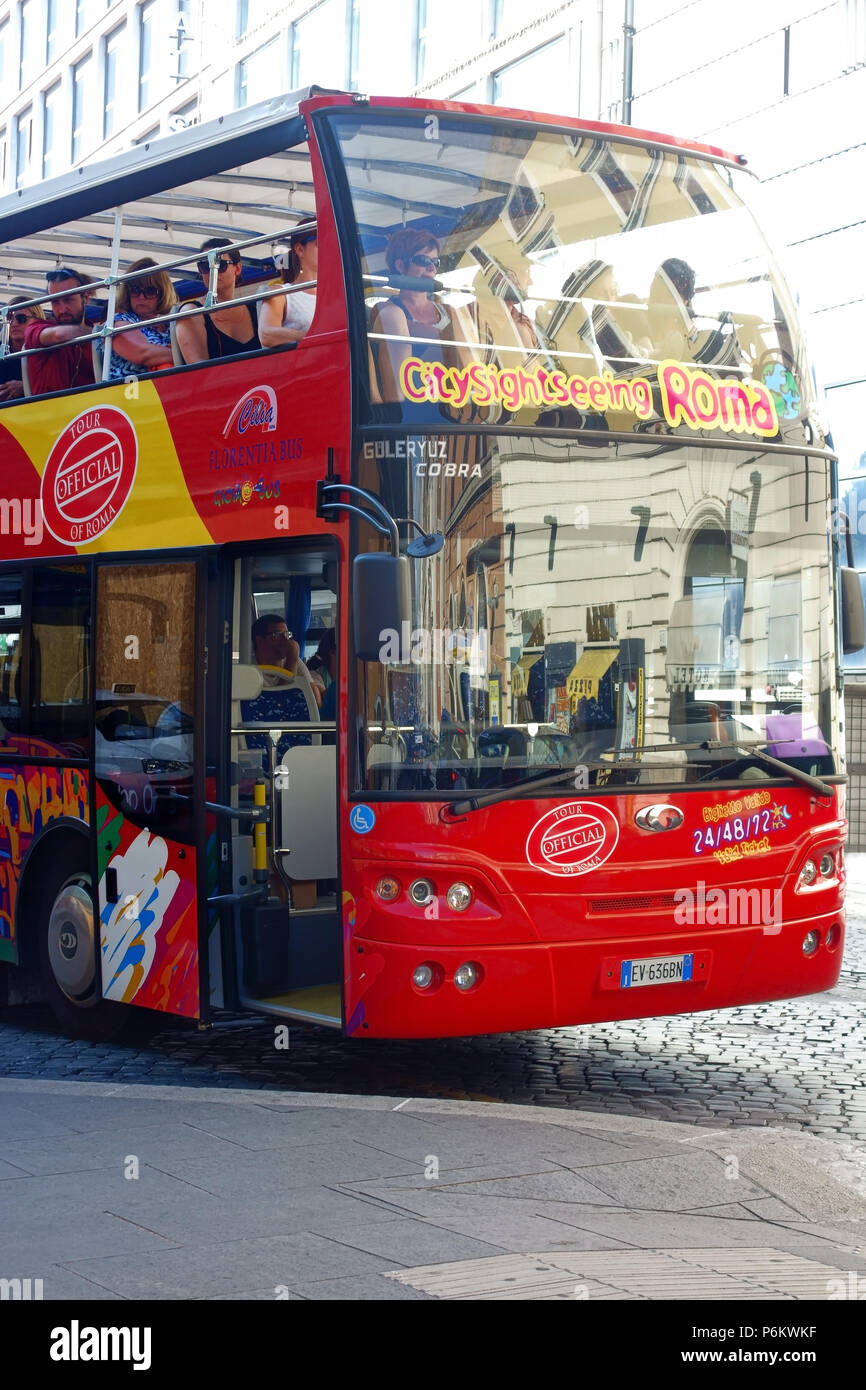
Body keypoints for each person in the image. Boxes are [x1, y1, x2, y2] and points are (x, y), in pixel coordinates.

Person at [370, 228, 472, 402]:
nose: (432, 267)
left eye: (435, 262)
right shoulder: (385, 309)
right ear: (400, 266)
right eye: (423, 260)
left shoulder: (449, 311)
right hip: (412, 406)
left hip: (450, 403)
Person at [175, 238, 261, 364]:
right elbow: (199, 372)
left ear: (237, 269)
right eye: (205, 266)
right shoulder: (191, 313)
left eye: (219, 265)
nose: (212, 271)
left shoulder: (255, 309)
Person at [23, 267, 96, 394]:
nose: (62, 309)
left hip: (92, 410)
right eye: (55, 302)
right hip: (48, 411)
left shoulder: (97, 334)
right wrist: (98, 333)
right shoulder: (36, 327)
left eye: (68, 300)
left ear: (85, 297)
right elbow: (59, 335)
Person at [107, 257, 175, 380]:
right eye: (135, 290)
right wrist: (182, 354)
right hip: (129, 392)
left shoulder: (171, 324)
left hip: (170, 389)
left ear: (162, 293)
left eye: (150, 291)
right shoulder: (118, 321)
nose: (141, 297)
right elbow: (142, 354)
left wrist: (161, 354)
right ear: (127, 293)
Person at [258, 216, 317, 347]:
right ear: (300, 249)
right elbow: (266, 334)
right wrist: (316, 336)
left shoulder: (340, 293)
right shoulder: (281, 293)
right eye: (320, 243)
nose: (328, 248)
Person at [251, 615, 322, 708]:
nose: (285, 641)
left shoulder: (294, 660)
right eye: (276, 635)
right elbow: (277, 707)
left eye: (287, 634)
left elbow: (316, 702)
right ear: (259, 641)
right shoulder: (249, 669)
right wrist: (292, 660)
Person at [0, 295, 45, 400]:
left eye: (21, 319)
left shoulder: (47, 352)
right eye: (9, 318)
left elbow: (58, 384)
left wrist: (25, 386)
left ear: (37, 321)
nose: (14, 324)